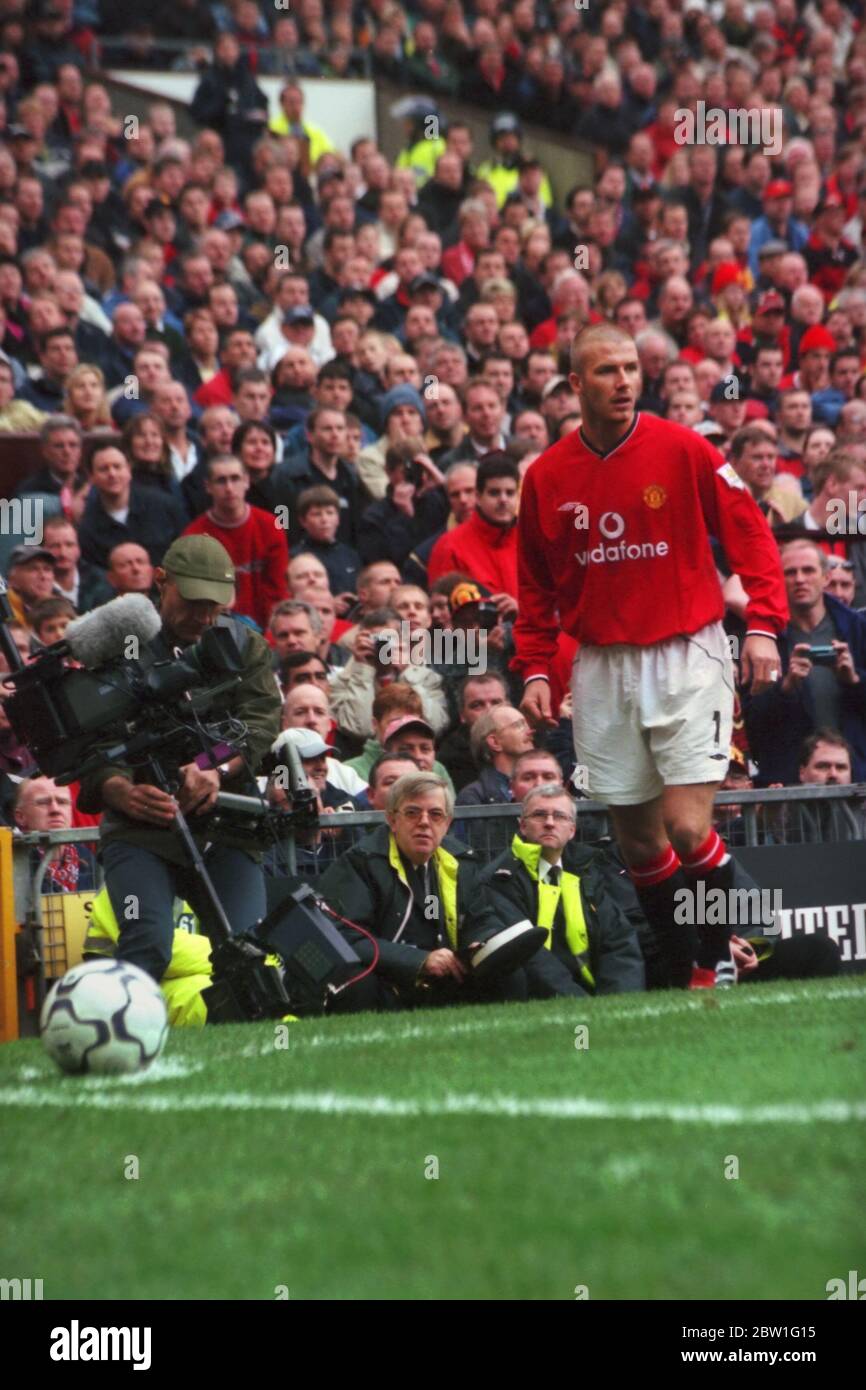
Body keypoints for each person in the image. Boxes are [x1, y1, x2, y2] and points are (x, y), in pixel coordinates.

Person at [515, 322, 788, 988]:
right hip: (603, 664)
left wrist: (763, 624)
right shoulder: (547, 477)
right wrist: (536, 668)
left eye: (632, 369)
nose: (624, 382)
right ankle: (680, 969)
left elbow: (749, 534)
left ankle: (714, 957)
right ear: (575, 385)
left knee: (688, 827)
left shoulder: (685, 448)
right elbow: (534, 589)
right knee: (640, 841)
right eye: (607, 371)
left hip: (688, 652)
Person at [75, 536, 282, 984]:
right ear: (161, 582)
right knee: (147, 942)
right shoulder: (118, 648)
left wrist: (217, 763)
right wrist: (118, 788)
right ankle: (121, 1039)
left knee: (249, 949)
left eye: (215, 605)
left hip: (227, 822)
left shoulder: (245, 646)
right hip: (142, 827)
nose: (205, 617)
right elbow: (87, 739)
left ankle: (254, 1047)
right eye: (193, 603)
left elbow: (261, 722)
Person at [317, 771, 530, 1013]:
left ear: (447, 823)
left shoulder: (460, 861)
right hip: (388, 978)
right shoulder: (360, 863)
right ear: (392, 820)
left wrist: (480, 944)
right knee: (356, 979)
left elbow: (479, 918)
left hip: (447, 976)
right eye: (412, 813)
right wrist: (419, 961)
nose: (424, 822)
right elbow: (346, 938)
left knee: (509, 973)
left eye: (436, 814)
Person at [482, 782, 645, 998]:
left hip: (593, 995)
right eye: (539, 815)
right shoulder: (500, 879)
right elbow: (530, 955)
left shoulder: (589, 872)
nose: (549, 823)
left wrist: (617, 1001)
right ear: (522, 826)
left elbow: (618, 942)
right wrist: (578, 1002)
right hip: (537, 999)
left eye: (559, 816)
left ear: (572, 830)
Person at [743, 541, 866, 786]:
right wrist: (786, 687)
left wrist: (854, 680)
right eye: (790, 572)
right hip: (788, 780)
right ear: (778, 579)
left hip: (855, 778)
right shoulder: (763, 638)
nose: (800, 579)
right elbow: (749, 720)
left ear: (826, 577)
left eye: (808, 570)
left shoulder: (858, 629)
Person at [183, 455, 290, 632]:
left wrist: (272, 634)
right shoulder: (194, 536)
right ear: (208, 487)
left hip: (268, 629)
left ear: (246, 481)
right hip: (216, 631)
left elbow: (277, 590)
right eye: (221, 481)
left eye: (235, 478)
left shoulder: (271, 526)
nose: (229, 488)